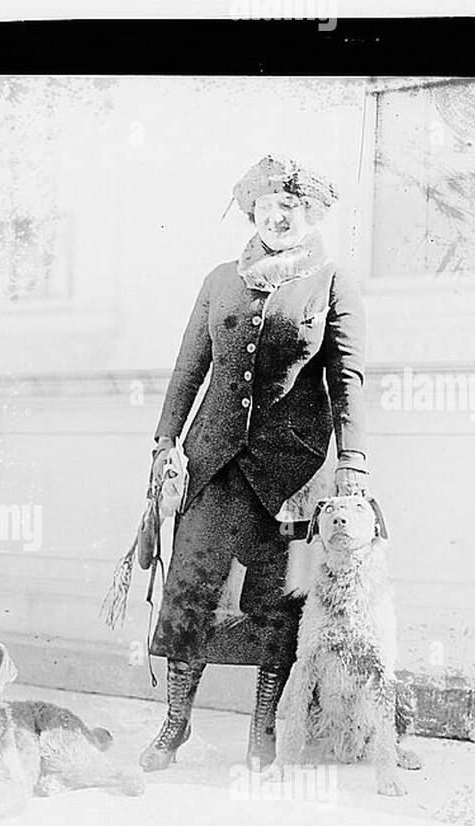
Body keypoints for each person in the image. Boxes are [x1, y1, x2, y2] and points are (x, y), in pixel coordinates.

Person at [140, 154, 370, 773]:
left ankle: (261, 732)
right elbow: (190, 365)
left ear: (312, 213)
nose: (278, 217)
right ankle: (175, 725)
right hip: (211, 462)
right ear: (252, 212)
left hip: (290, 470)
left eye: (291, 207)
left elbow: (347, 378)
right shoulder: (220, 278)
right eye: (267, 207)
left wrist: (354, 461)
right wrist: (166, 443)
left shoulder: (331, 280)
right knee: (192, 590)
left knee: (276, 603)